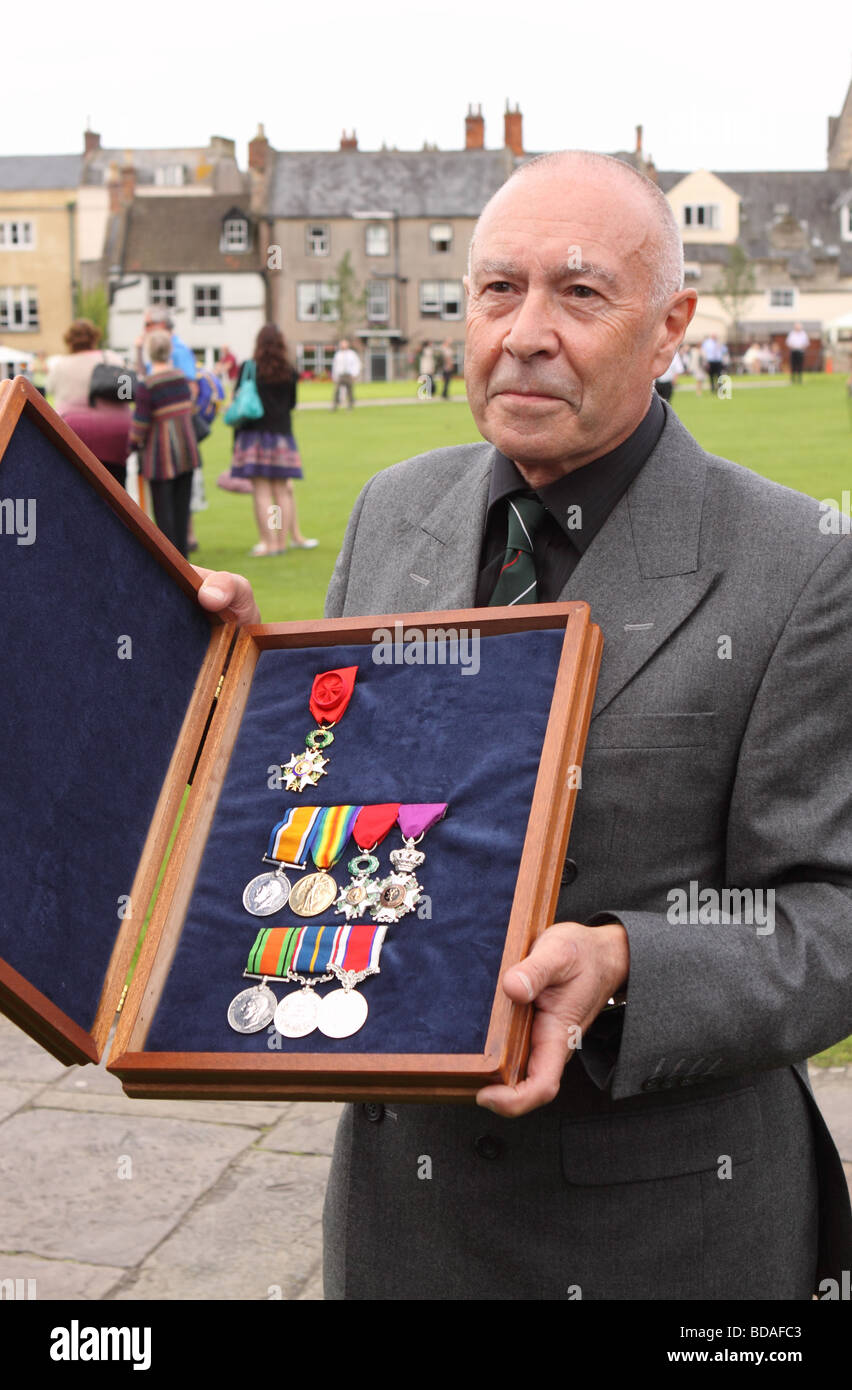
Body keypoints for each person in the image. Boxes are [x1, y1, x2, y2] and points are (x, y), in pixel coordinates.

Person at [198, 150, 852, 1301]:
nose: (526, 330)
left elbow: (834, 919)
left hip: (662, 1237)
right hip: (404, 1221)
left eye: (581, 292)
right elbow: (331, 806)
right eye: (496, 290)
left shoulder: (797, 565)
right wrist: (233, 708)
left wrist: (626, 960)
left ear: (670, 328)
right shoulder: (397, 509)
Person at [230, 324, 316, 556]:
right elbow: (291, 404)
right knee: (282, 492)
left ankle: (268, 543)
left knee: (262, 492)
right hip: (281, 438)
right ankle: (280, 542)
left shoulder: (249, 368)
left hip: (254, 436)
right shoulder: (288, 371)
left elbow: (237, 400)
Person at [130, 329, 198, 556]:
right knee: (182, 513)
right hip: (187, 452)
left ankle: (173, 569)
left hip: (161, 456)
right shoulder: (181, 378)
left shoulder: (147, 385)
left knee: (164, 518)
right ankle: (186, 566)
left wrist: (130, 446)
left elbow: (140, 424)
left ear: (150, 353)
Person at [47, 318, 132, 488]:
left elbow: (50, 388)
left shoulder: (60, 365)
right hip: (117, 431)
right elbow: (128, 392)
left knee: (80, 489)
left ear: (69, 341)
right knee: (116, 488)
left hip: (76, 432)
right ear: (94, 338)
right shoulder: (113, 358)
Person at [330, 339, 361, 410]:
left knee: (350, 390)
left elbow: (357, 364)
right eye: (342, 344)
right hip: (340, 375)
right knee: (336, 390)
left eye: (344, 344)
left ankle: (350, 404)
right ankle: (335, 404)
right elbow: (335, 365)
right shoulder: (338, 354)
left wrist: (355, 374)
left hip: (349, 375)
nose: (343, 346)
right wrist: (334, 375)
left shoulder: (352, 354)